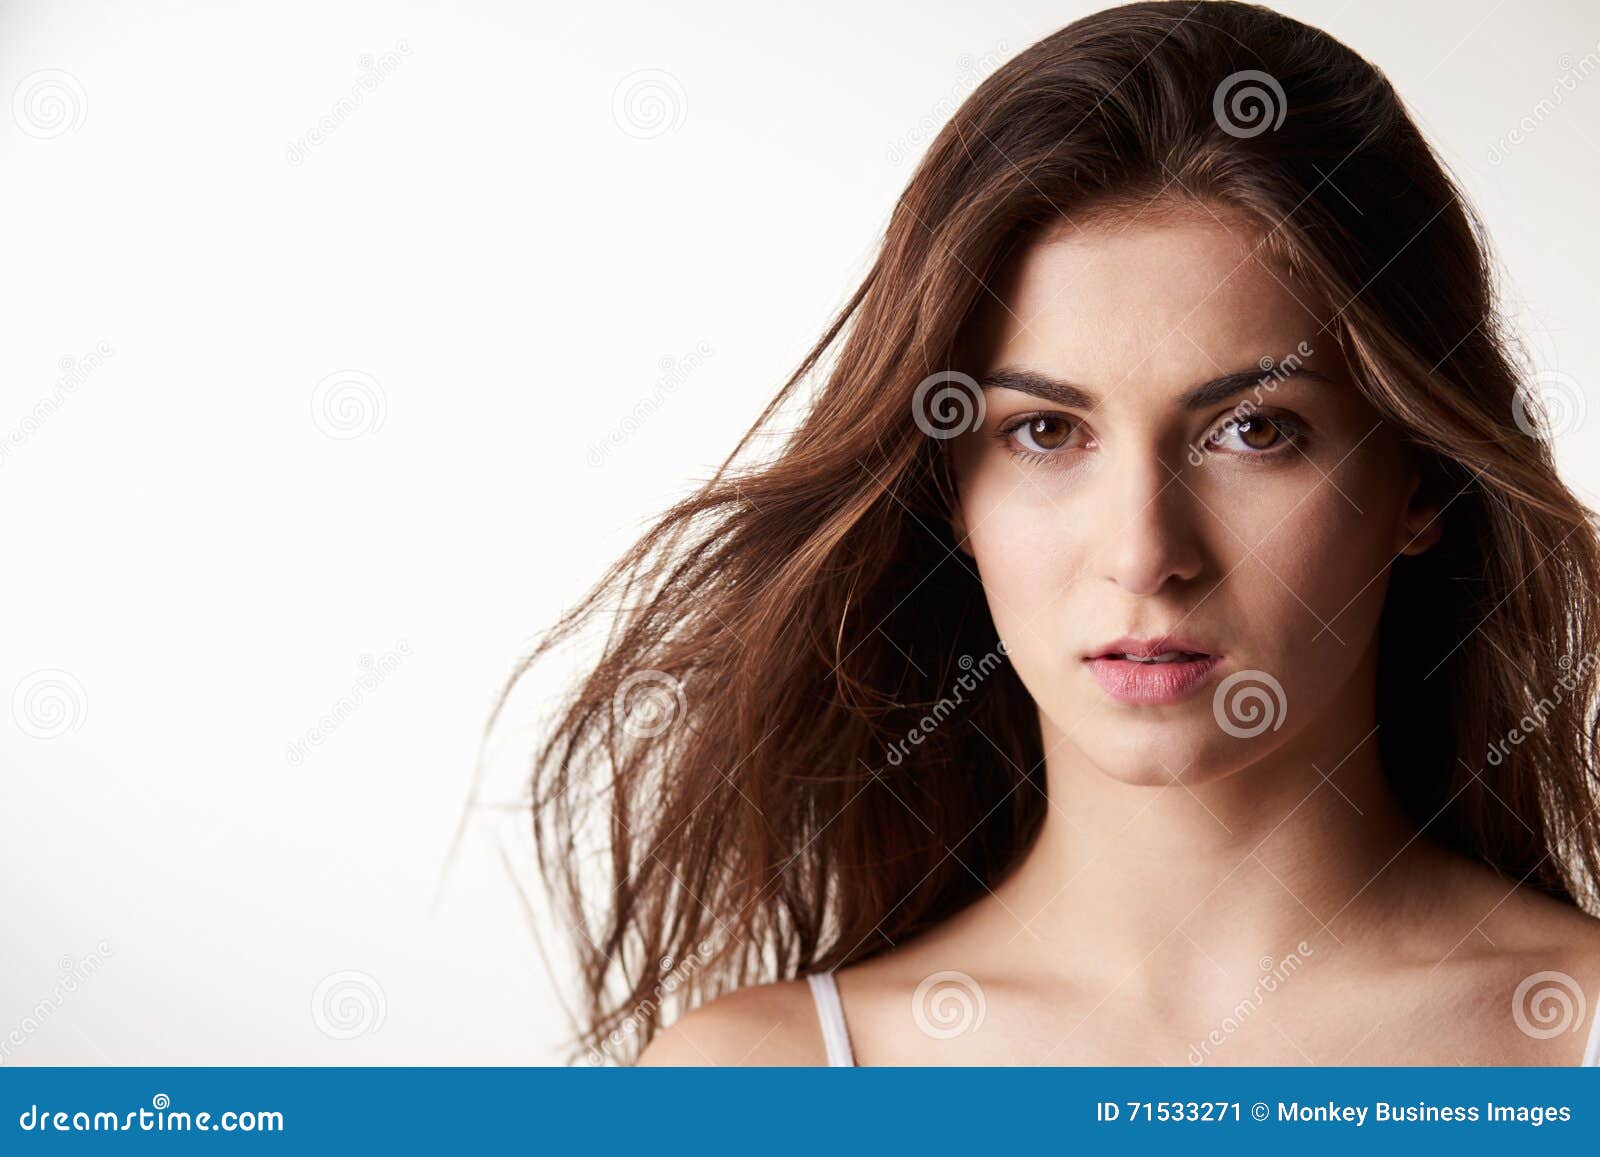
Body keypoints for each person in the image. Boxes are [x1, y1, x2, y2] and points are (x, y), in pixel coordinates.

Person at [503, 0, 1600, 1065]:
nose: (1142, 552)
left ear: (1422, 476)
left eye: (1253, 429)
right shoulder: (759, 1085)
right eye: (1043, 430)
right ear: (951, 495)